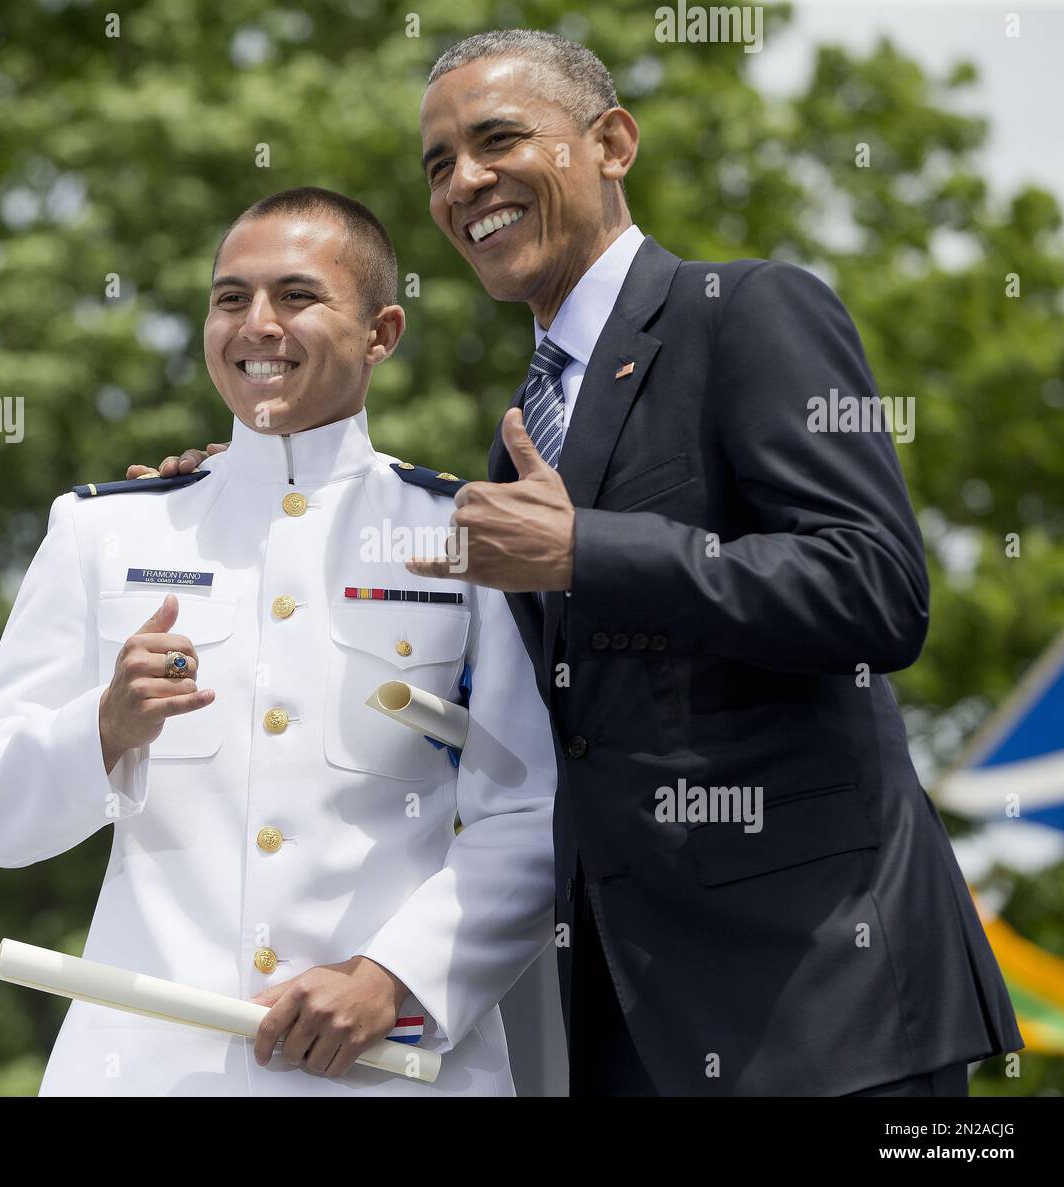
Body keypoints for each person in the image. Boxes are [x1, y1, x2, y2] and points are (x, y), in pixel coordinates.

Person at [136, 31, 1023, 1096]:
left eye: (498, 139)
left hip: (827, 999)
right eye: (437, 164)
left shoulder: (746, 312)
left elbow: (876, 586)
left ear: (611, 143)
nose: (464, 181)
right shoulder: (513, 444)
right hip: (625, 1027)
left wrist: (588, 549)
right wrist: (236, 491)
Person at [0, 187, 557, 1097]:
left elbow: (530, 808)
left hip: (395, 1074)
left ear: (381, 332)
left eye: (297, 297)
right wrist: (102, 726)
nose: (256, 324)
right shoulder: (104, 533)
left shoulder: (462, 540)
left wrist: (397, 980)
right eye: (231, 299)